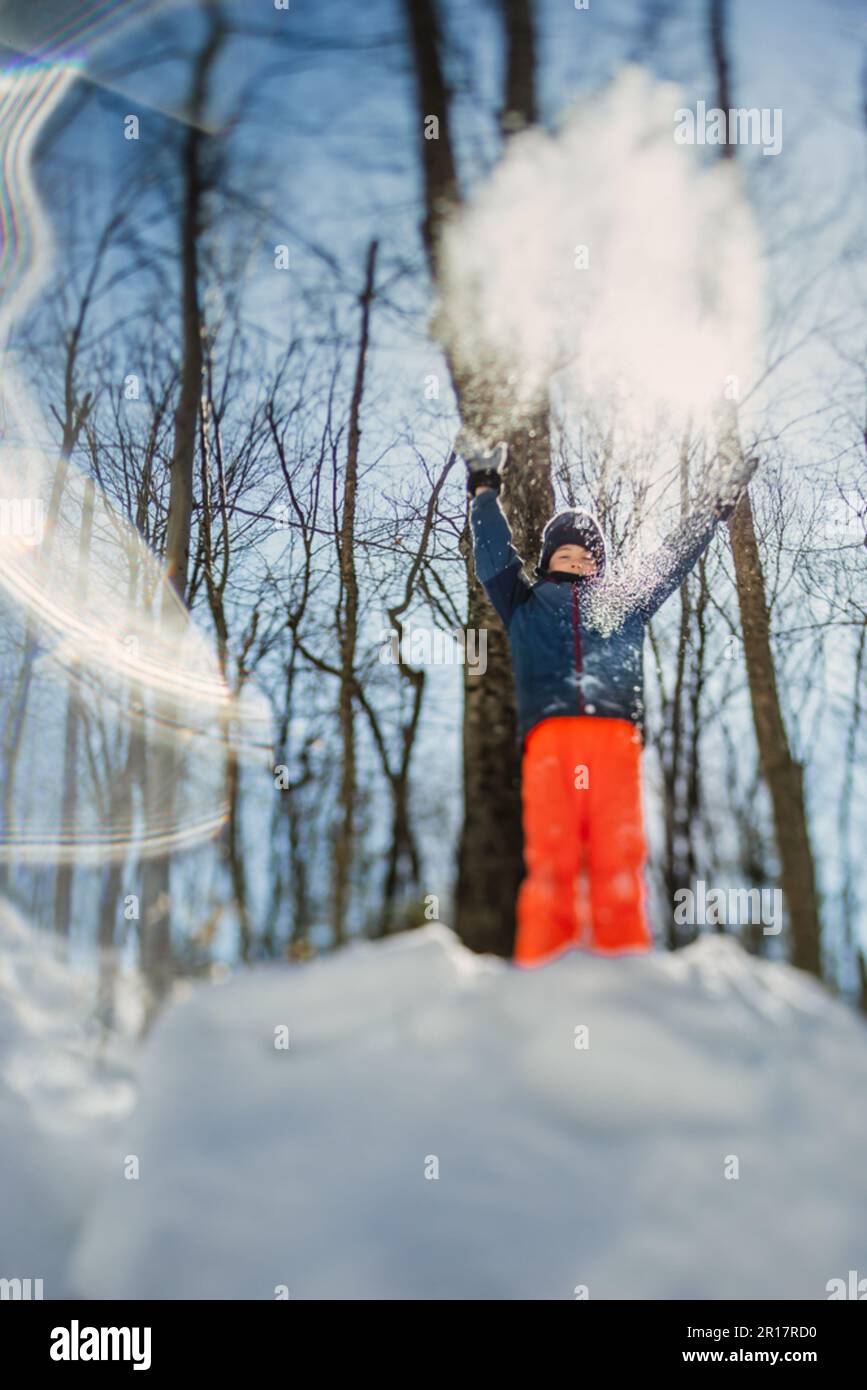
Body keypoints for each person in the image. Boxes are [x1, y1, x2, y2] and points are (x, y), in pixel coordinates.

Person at [460, 436, 757, 966]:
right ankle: (548, 967)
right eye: (564, 555)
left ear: (598, 565)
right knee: (552, 860)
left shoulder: (623, 604)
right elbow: (491, 554)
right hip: (550, 739)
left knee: (618, 860)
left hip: (614, 740)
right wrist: (484, 489)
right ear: (550, 560)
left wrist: (715, 503)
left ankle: (624, 974)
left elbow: (671, 556)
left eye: (585, 557)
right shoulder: (523, 602)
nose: (575, 562)